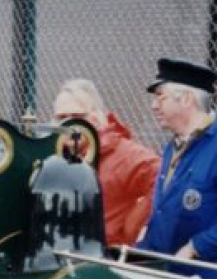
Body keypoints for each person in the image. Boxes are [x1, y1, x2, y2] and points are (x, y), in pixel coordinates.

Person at [137, 58, 217, 279]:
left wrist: (196, 246)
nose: (154, 106)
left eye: (160, 96)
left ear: (186, 99)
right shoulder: (173, 147)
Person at [53, 79, 159, 246]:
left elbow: (163, 178)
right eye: (62, 118)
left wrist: (130, 229)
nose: (70, 124)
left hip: (103, 256)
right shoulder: (55, 157)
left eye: (77, 117)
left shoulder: (126, 155)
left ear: (95, 117)